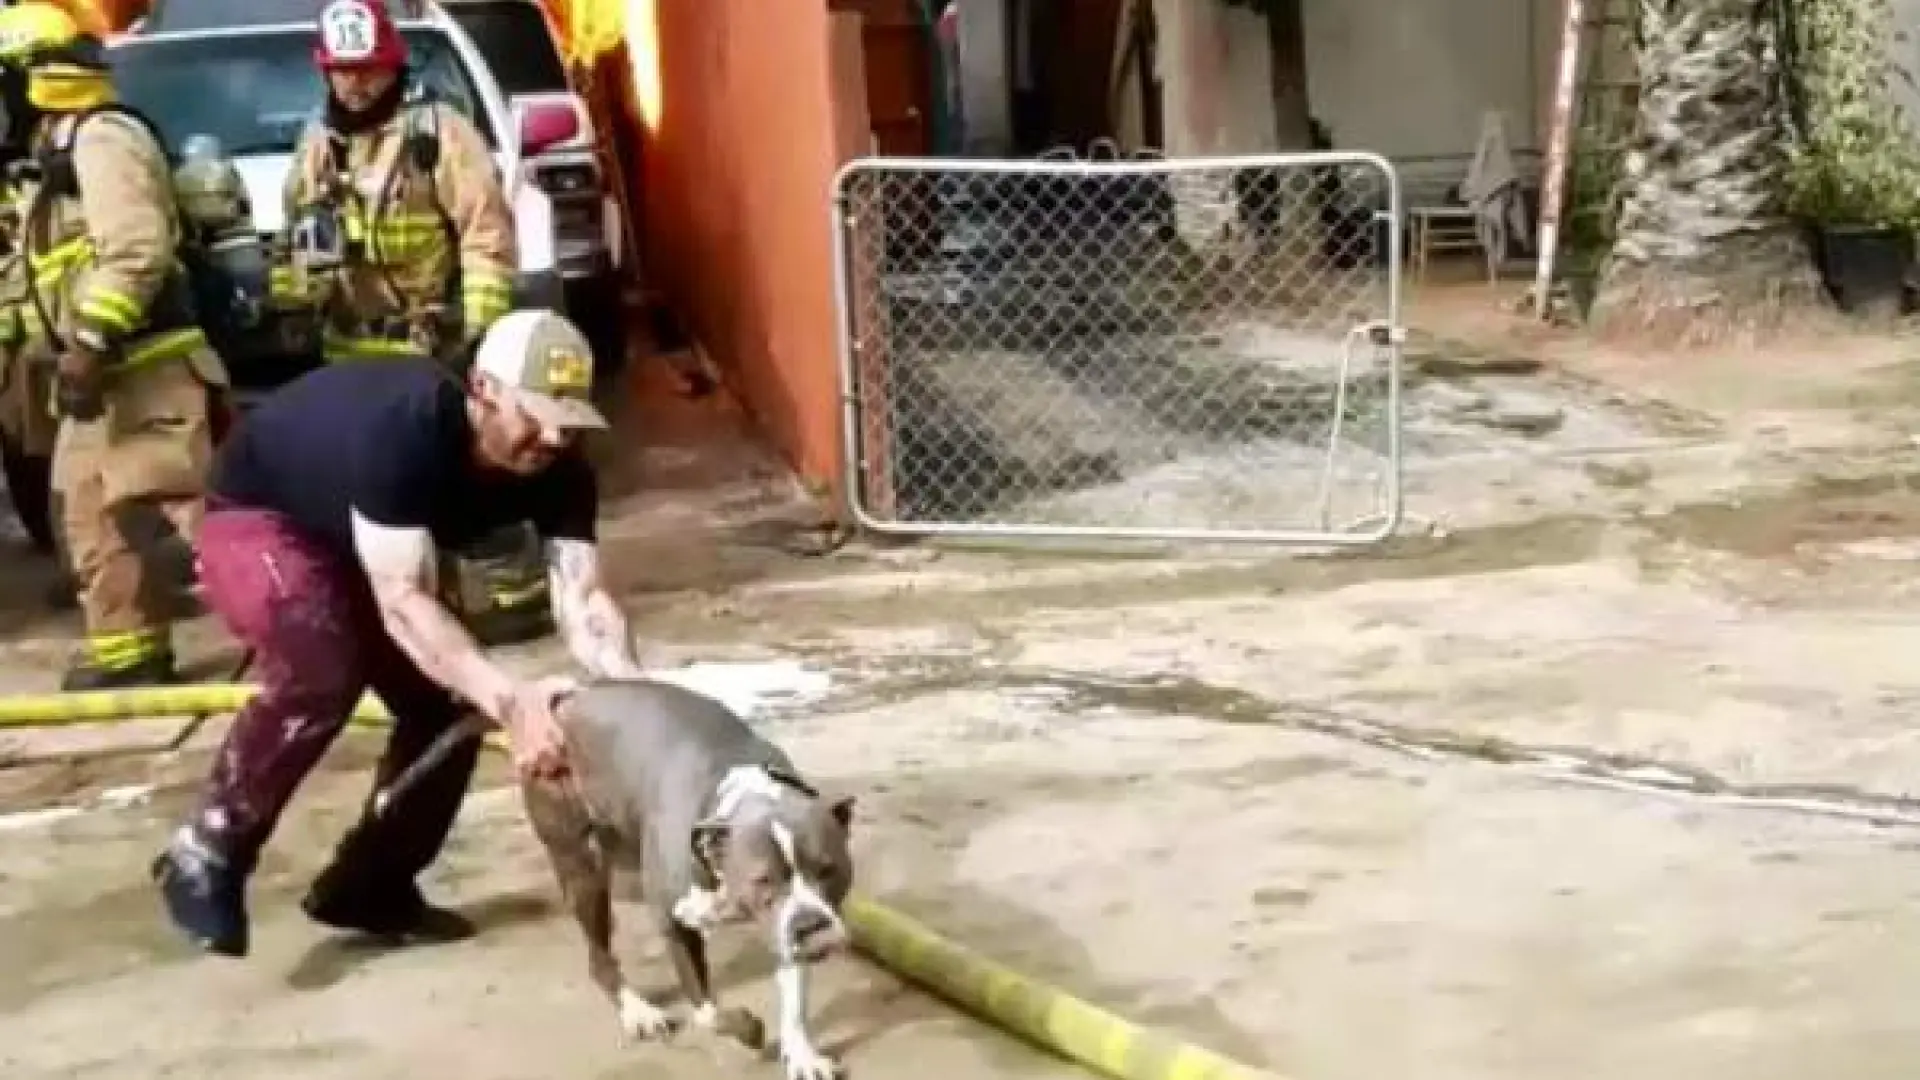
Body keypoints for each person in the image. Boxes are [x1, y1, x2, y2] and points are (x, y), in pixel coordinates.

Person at [152, 308, 647, 959]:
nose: (554, 436)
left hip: (372, 543)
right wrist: (513, 702)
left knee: (448, 705)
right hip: (261, 520)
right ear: (483, 390)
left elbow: (583, 598)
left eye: (570, 419)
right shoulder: (407, 431)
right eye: (534, 413)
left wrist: (637, 693)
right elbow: (404, 604)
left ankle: (371, 884)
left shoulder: (561, 468)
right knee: (322, 655)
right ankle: (208, 849)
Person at [276, 0, 548, 649]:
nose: (357, 83)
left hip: (432, 347)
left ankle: (497, 598)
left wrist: (478, 332)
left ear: (395, 67)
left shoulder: (439, 133)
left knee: (456, 475)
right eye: (344, 71)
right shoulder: (318, 147)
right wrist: (295, 299)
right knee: (367, 486)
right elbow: (298, 243)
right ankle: (388, 610)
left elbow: (486, 233)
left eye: (370, 68)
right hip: (351, 353)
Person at [0, 2, 226, 689]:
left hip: (148, 363)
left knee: (191, 507)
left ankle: (297, 623)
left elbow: (136, 249)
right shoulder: (51, 153)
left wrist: (90, 340)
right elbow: (30, 278)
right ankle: (128, 651)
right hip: (99, 377)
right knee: (87, 510)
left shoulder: (102, 139)